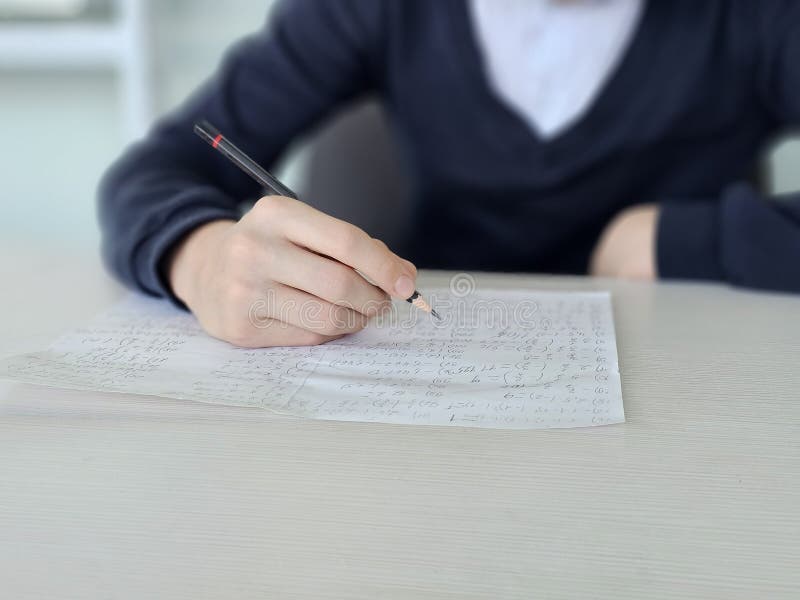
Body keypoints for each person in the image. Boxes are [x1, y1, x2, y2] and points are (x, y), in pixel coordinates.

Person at [99, 0, 800, 348]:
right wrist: (200, 259)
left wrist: (687, 242)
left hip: (689, 384)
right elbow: (157, 168)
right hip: (428, 384)